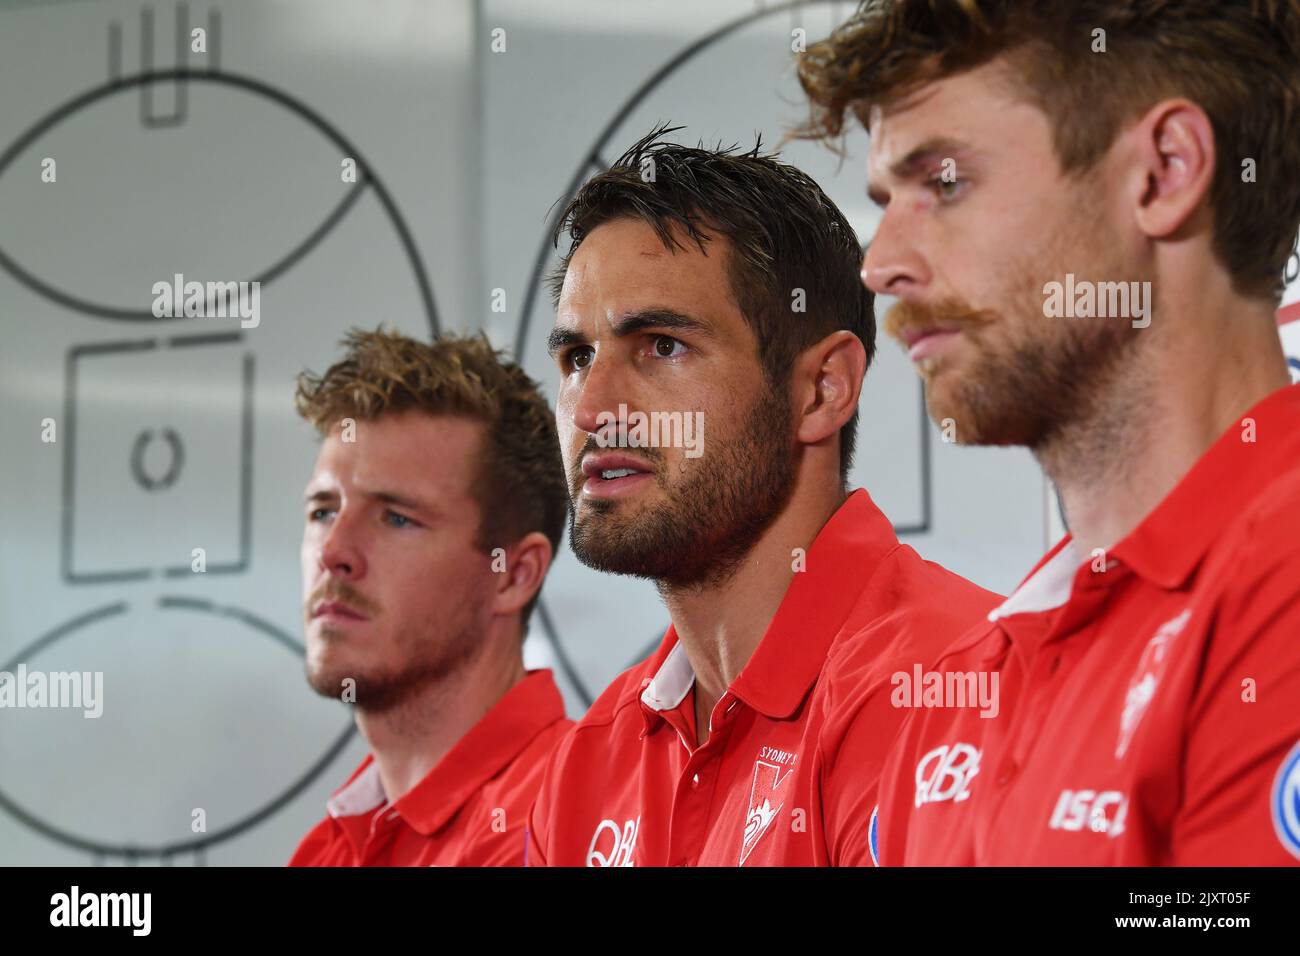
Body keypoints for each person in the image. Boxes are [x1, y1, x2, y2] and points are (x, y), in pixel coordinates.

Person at [796, 0, 1300, 863]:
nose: (879, 265)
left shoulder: (1281, 583)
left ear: (1164, 172)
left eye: (943, 183)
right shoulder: (968, 686)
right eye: (886, 197)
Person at [527, 128, 1000, 866]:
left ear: (822, 389)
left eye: (660, 346)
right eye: (577, 356)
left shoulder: (955, 690)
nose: (592, 408)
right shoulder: (583, 770)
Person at [288, 328, 572, 866]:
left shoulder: (578, 821)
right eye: (323, 511)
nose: (333, 552)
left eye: (396, 517)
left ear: (514, 574)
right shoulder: (329, 851)